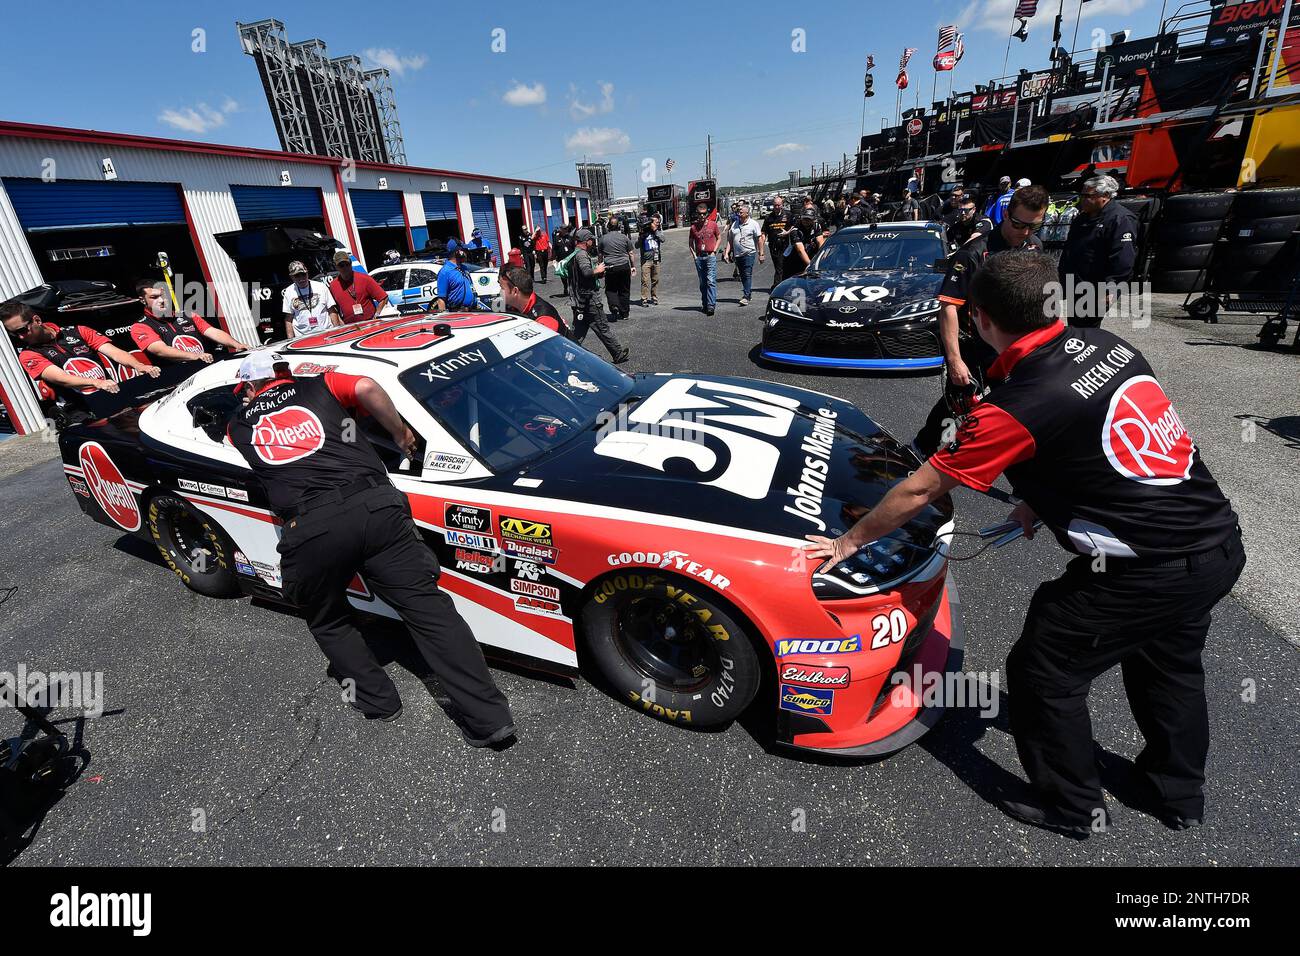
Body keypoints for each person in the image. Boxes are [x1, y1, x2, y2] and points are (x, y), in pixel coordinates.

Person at [805, 252, 1243, 838]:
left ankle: (1071, 804)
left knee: (1044, 670)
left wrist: (848, 541)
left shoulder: (1017, 406)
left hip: (1150, 567)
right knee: (1169, 669)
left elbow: (919, 491)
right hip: (1215, 542)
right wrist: (1042, 499)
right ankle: (1177, 794)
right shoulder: (1107, 344)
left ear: (981, 320)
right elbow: (1102, 442)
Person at [225, 349, 516, 745]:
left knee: (326, 617)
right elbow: (365, 386)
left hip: (311, 527)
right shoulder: (319, 384)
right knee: (428, 610)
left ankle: (379, 701)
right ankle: (489, 720)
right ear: (283, 373)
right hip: (375, 505)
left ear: (250, 388)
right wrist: (399, 433)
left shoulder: (238, 424)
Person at [914, 184, 1048, 456]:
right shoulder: (974, 252)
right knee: (957, 404)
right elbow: (949, 306)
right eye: (1019, 224)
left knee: (1018, 408)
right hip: (976, 345)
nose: (1024, 232)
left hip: (1017, 346)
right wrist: (954, 360)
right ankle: (924, 446)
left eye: (1033, 226)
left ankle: (1019, 471)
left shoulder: (1035, 247)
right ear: (1006, 214)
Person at [3, 300, 159, 398]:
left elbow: (115, 352)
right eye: (14, 333)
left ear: (37, 320)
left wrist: (140, 366)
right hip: (80, 410)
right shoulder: (28, 355)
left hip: (111, 392)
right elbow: (61, 379)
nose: (21, 337)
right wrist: (96, 383)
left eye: (23, 330)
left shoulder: (78, 331)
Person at [1057, 174, 1139, 328]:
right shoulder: (1082, 218)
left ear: (1105, 196)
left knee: (1087, 330)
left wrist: (1111, 287)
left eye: (1088, 196)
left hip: (1096, 288)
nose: (1083, 199)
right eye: (1082, 195)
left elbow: (1123, 258)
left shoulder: (1120, 219)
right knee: (1074, 327)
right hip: (1076, 283)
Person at [132, 281, 250, 363]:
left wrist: (237, 344)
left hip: (203, 366)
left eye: (164, 296)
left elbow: (212, 331)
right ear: (143, 300)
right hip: (174, 377)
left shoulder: (187, 314)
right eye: (154, 297)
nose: (162, 300)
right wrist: (195, 356)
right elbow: (160, 350)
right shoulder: (140, 326)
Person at [570, 228, 628, 363]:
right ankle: (618, 354)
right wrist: (598, 269)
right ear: (586, 241)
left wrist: (599, 271)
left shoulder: (575, 254)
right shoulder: (582, 255)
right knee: (602, 327)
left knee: (578, 332)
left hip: (580, 299)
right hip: (590, 299)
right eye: (591, 240)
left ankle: (567, 355)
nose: (593, 243)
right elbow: (586, 272)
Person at [499, 268, 570, 337]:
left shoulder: (543, 317)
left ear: (515, 291)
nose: (499, 292)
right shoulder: (512, 305)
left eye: (502, 288)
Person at [278, 261, 339, 341]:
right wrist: (290, 340)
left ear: (307, 273)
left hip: (327, 334)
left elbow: (332, 311)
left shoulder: (321, 287)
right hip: (303, 338)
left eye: (303, 274)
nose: (301, 278)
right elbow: (289, 319)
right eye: (297, 276)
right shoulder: (289, 292)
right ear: (292, 277)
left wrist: (337, 332)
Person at [328, 250, 388, 325]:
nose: (345, 267)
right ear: (336, 267)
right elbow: (334, 308)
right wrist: (340, 323)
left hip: (369, 323)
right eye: (341, 265)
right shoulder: (333, 285)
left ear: (351, 263)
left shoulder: (364, 278)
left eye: (347, 264)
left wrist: (376, 315)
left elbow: (383, 298)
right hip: (349, 327)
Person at [721, 201, 764, 306]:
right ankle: (748, 293)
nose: (739, 214)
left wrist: (761, 254)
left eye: (741, 212)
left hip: (749, 253)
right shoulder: (735, 224)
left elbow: (759, 239)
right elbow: (730, 240)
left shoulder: (753, 224)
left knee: (747, 274)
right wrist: (726, 253)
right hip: (738, 254)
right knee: (743, 275)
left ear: (747, 213)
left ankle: (745, 295)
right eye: (738, 212)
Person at [597, 217, 636, 321]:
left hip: (610, 268)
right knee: (624, 290)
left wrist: (600, 266)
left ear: (608, 226)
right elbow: (631, 253)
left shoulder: (603, 239)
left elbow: (600, 255)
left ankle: (614, 305)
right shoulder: (624, 238)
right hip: (624, 266)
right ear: (619, 226)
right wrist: (633, 266)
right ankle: (625, 313)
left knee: (611, 289)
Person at [687, 203, 722, 315]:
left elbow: (719, 237)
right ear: (697, 214)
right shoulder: (693, 227)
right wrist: (694, 256)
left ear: (707, 213)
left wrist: (714, 251)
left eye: (704, 214)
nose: (702, 216)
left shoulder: (713, 225)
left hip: (710, 256)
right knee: (703, 283)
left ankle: (711, 305)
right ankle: (705, 304)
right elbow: (690, 243)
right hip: (699, 257)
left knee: (710, 281)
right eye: (700, 214)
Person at [433, 246, 478, 312]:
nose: (467, 255)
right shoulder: (445, 271)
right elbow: (441, 298)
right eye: (465, 252)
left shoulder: (464, 268)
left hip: (472, 310)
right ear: (459, 253)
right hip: (457, 312)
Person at [762, 196, 791, 287]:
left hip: (785, 245)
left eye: (778, 205)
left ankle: (777, 285)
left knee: (781, 265)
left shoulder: (788, 215)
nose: (777, 207)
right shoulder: (768, 218)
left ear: (782, 205)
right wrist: (761, 248)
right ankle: (781, 284)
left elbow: (795, 226)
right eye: (775, 205)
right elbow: (764, 232)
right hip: (773, 246)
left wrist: (787, 232)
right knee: (778, 266)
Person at [782, 211, 819, 279]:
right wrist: (811, 266)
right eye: (804, 218)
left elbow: (821, 244)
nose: (806, 221)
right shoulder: (795, 230)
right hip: (793, 259)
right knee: (792, 284)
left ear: (813, 220)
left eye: (808, 219)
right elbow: (800, 250)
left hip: (809, 257)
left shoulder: (816, 226)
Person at [639, 214, 664, 307]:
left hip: (656, 260)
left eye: (658, 222)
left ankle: (654, 297)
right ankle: (644, 299)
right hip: (646, 261)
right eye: (655, 222)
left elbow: (663, 239)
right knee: (645, 281)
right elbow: (637, 245)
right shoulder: (644, 232)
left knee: (655, 280)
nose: (657, 224)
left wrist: (655, 230)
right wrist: (641, 236)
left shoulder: (658, 231)